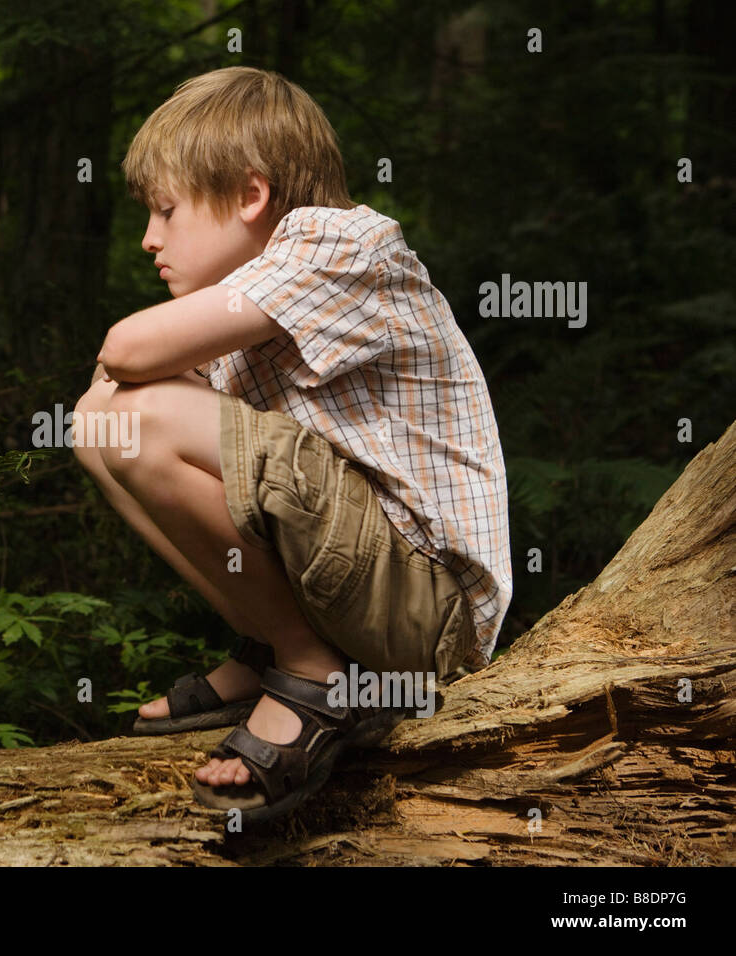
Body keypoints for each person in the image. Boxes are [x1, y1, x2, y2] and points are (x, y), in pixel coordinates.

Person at [72, 66, 512, 824]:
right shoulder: (245, 317)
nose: (149, 239)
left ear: (251, 195)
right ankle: (280, 647)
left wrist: (133, 374)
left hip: (430, 613)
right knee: (96, 419)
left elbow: (126, 348)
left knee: (129, 413)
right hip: (366, 589)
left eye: (167, 211)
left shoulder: (339, 244)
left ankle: (313, 673)